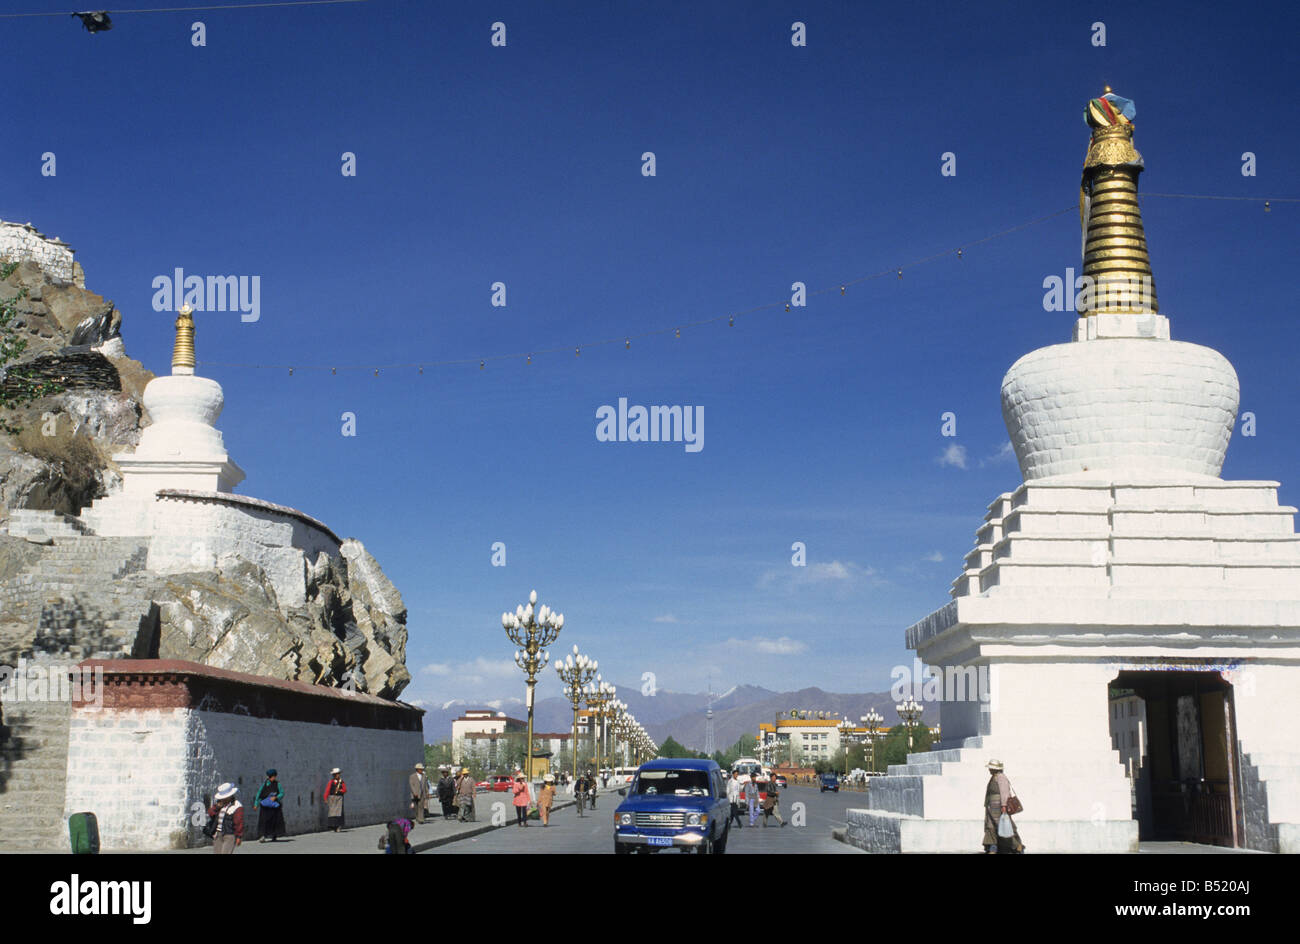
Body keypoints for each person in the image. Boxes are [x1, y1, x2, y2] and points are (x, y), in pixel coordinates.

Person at [983, 759, 1024, 854]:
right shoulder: (994, 777)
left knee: (1003, 828)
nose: (989, 770)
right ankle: (992, 848)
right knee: (991, 827)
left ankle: (1017, 846)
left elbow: (1004, 792)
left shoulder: (1001, 777)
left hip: (999, 807)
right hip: (991, 807)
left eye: (991, 768)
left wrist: (1004, 805)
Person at [207, 783, 243, 854]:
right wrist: (216, 807)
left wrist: (239, 836)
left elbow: (239, 822)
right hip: (218, 834)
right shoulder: (220, 804)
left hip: (229, 835)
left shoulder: (237, 806)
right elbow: (211, 813)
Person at [254, 769, 285, 842]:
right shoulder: (264, 785)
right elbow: (259, 794)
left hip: (274, 807)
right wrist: (256, 804)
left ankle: (274, 835)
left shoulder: (278, 784)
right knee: (264, 821)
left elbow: (282, 793)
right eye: (272, 777)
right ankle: (263, 835)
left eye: (274, 776)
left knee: (275, 821)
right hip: (265, 807)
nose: (273, 778)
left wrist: (276, 797)